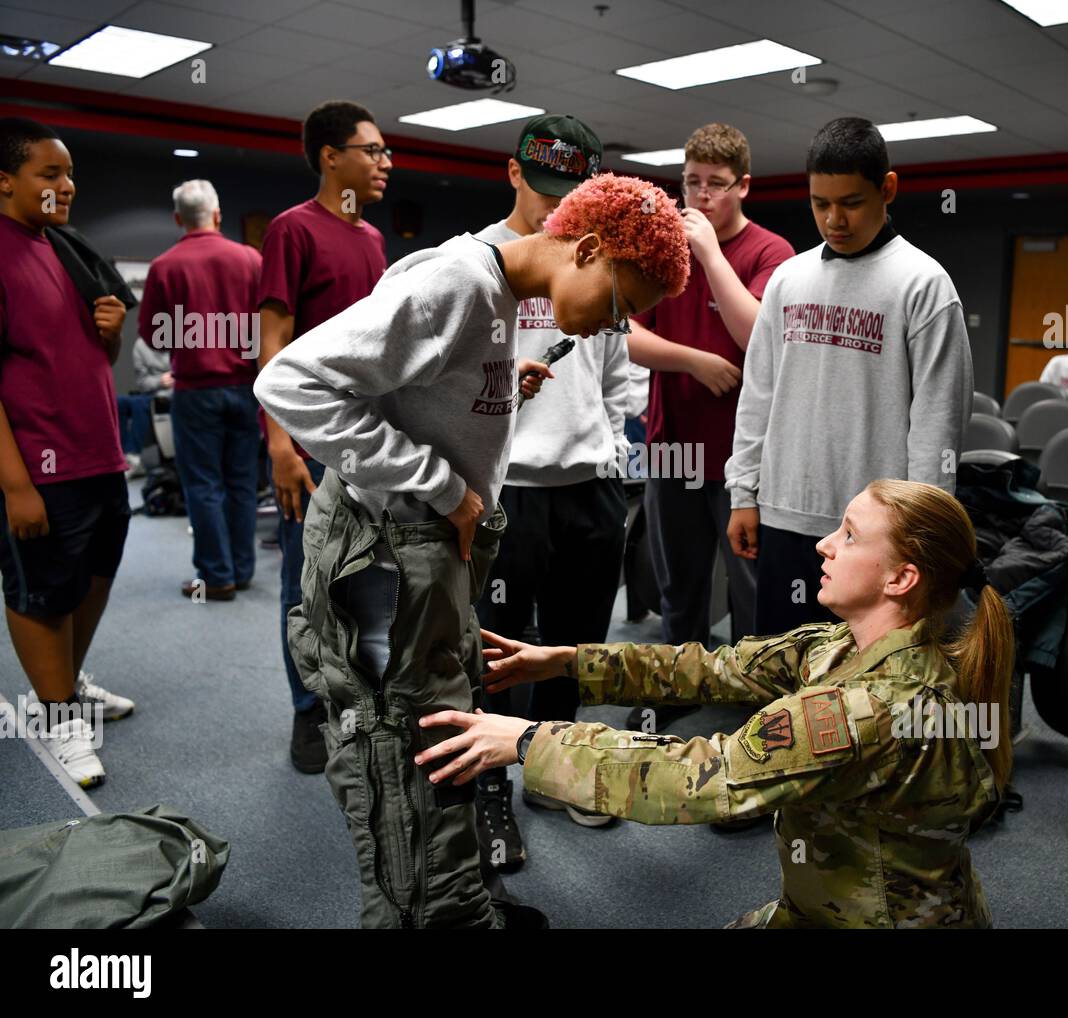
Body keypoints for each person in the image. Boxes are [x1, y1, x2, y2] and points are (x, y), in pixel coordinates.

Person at [254, 172, 690, 928]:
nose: (608, 330)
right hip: (385, 547)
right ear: (586, 249)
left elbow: (412, 391)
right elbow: (290, 382)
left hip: (427, 543)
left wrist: (495, 388)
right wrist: (441, 487)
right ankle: (418, 917)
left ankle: (456, 905)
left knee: (444, 729)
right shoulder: (457, 280)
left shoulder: (500, 300)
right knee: (400, 753)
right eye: (619, 308)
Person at [418, 478, 1012, 929]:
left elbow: (700, 779)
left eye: (850, 535)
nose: (826, 545)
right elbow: (715, 668)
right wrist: (568, 661)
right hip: (837, 903)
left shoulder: (865, 709)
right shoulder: (846, 647)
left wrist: (527, 742)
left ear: (900, 580)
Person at [727, 117, 973, 639]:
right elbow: (759, 395)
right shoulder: (788, 279)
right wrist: (743, 493)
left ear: (887, 189)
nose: (834, 219)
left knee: (861, 694)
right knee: (780, 677)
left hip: (877, 536)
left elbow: (936, 424)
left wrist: (921, 540)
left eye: (852, 202)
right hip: (784, 514)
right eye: (820, 203)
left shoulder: (923, 284)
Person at [470, 114, 625, 868]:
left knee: (574, 647)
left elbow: (620, 373)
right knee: (498, 654)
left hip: (590, 488)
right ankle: (492, 788)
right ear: (513, 174)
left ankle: (556, 772)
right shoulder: (477, 260)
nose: (554, 208)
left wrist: (612, 440)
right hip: (511, 490)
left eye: (573, 194)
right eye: (543, 188)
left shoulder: (601, 262)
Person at [628, 123, 794, 672]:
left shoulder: (772, 251)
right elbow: (624, 334)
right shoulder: (661, 249)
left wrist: (708, 253)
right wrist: (692, 360)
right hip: (672, 444)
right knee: (679, 579)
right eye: (692, 182)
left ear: (743, 185)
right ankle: (683, 684)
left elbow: (754, 334)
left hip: (740, 456)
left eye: (716, 184)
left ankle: (752, 692)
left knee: (749, 583)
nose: (701, 196)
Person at [0, 117, 136, 787]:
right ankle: (55, 718)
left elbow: (93, 357)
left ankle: (66, 685)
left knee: (90, 580)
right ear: (4, 181)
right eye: (48, 173)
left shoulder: (67, 246)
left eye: (69, 172)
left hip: (101, 454)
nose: (66, 184)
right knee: (41, 593)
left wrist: (109, 335)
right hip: (39, 462)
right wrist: (15, 484)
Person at [256, 101, 389, 772]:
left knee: (362, 581)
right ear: (330, 156)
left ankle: (353, 701)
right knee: (307, 585)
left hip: (365, 440)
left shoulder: (371, 239)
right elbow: (272, 341)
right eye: (370, 150)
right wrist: (278, 443)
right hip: (307, 440)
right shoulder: (292, 229)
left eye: (385, 151)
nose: (384, 162)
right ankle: (307, 713)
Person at [138, 180, 263, 602]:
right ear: (218, 214)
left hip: (194, 392)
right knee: (243, 482)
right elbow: (269, 327)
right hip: (246, 388)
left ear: (178, 218)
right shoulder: (250, 259)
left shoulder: (164, 266)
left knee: (204, 485)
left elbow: (153, 337)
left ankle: (216, 576)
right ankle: (241, 571)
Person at [118, 337, 172, 477]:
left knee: (140, 404)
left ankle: (134, 457)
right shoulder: (141, 345)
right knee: (118, 402)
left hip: (176, 392)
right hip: (151, 391)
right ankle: (121, 455)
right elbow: (142, 382)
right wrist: (159, 381)